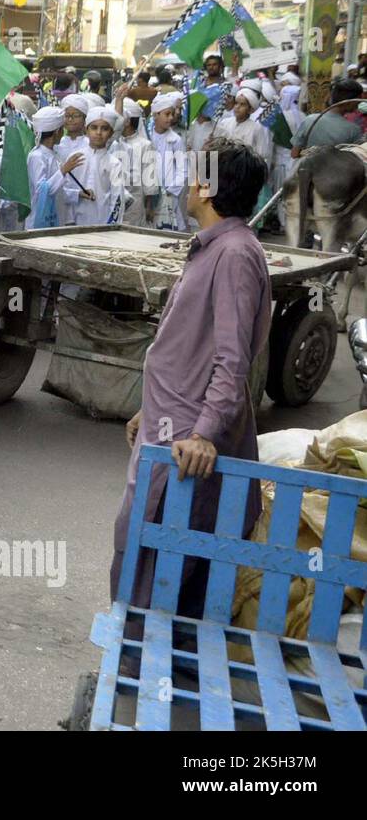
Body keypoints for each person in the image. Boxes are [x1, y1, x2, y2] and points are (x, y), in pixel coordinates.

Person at [113, 138, 271, 621]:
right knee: (142, 552)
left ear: (205, 187)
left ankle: (147, 671)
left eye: (192, 174)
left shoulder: (235, 255)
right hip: (168, 426)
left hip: (185, 444)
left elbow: (231, 359)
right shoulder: (216, 248)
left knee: (161, 567)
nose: (184, 183)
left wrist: (203, 434)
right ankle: (142, 665)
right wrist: (151, 406)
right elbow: (190, 347)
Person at [68, 106, 126, 225]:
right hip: (74, 225)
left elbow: (117, 199)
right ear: (86, 130)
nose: (98, 133)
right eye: (94, 128)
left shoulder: (114, 164)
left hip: (103, 225)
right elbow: (63, 191)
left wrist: (111, 226)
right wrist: (77, 195)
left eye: (104, 129)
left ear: (111, 133)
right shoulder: (74, 158)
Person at [292, 77, 365, 157]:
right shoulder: (353, 130)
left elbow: (294, 154)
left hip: (306, 168)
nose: (357, 106)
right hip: (337, 169)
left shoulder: (310, 119)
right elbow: (357, 160)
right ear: (349, 102)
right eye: (357, 102)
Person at [149, 93, 188, 231]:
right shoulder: (148, 137)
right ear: (155, 115)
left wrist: (171, 190)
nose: (171, 117)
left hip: (169, 194)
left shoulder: (175, 140)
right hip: (149, 193)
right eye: (167, 114)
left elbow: (183, 169)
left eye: (172, 114)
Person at [25, 106, 64, 229]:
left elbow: (59, 189)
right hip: (38, 220)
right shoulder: (37, 156)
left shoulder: (54, 153)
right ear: (57, 131)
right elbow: (42, 189)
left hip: (54, 216)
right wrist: (64, 170)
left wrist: (78, 194)